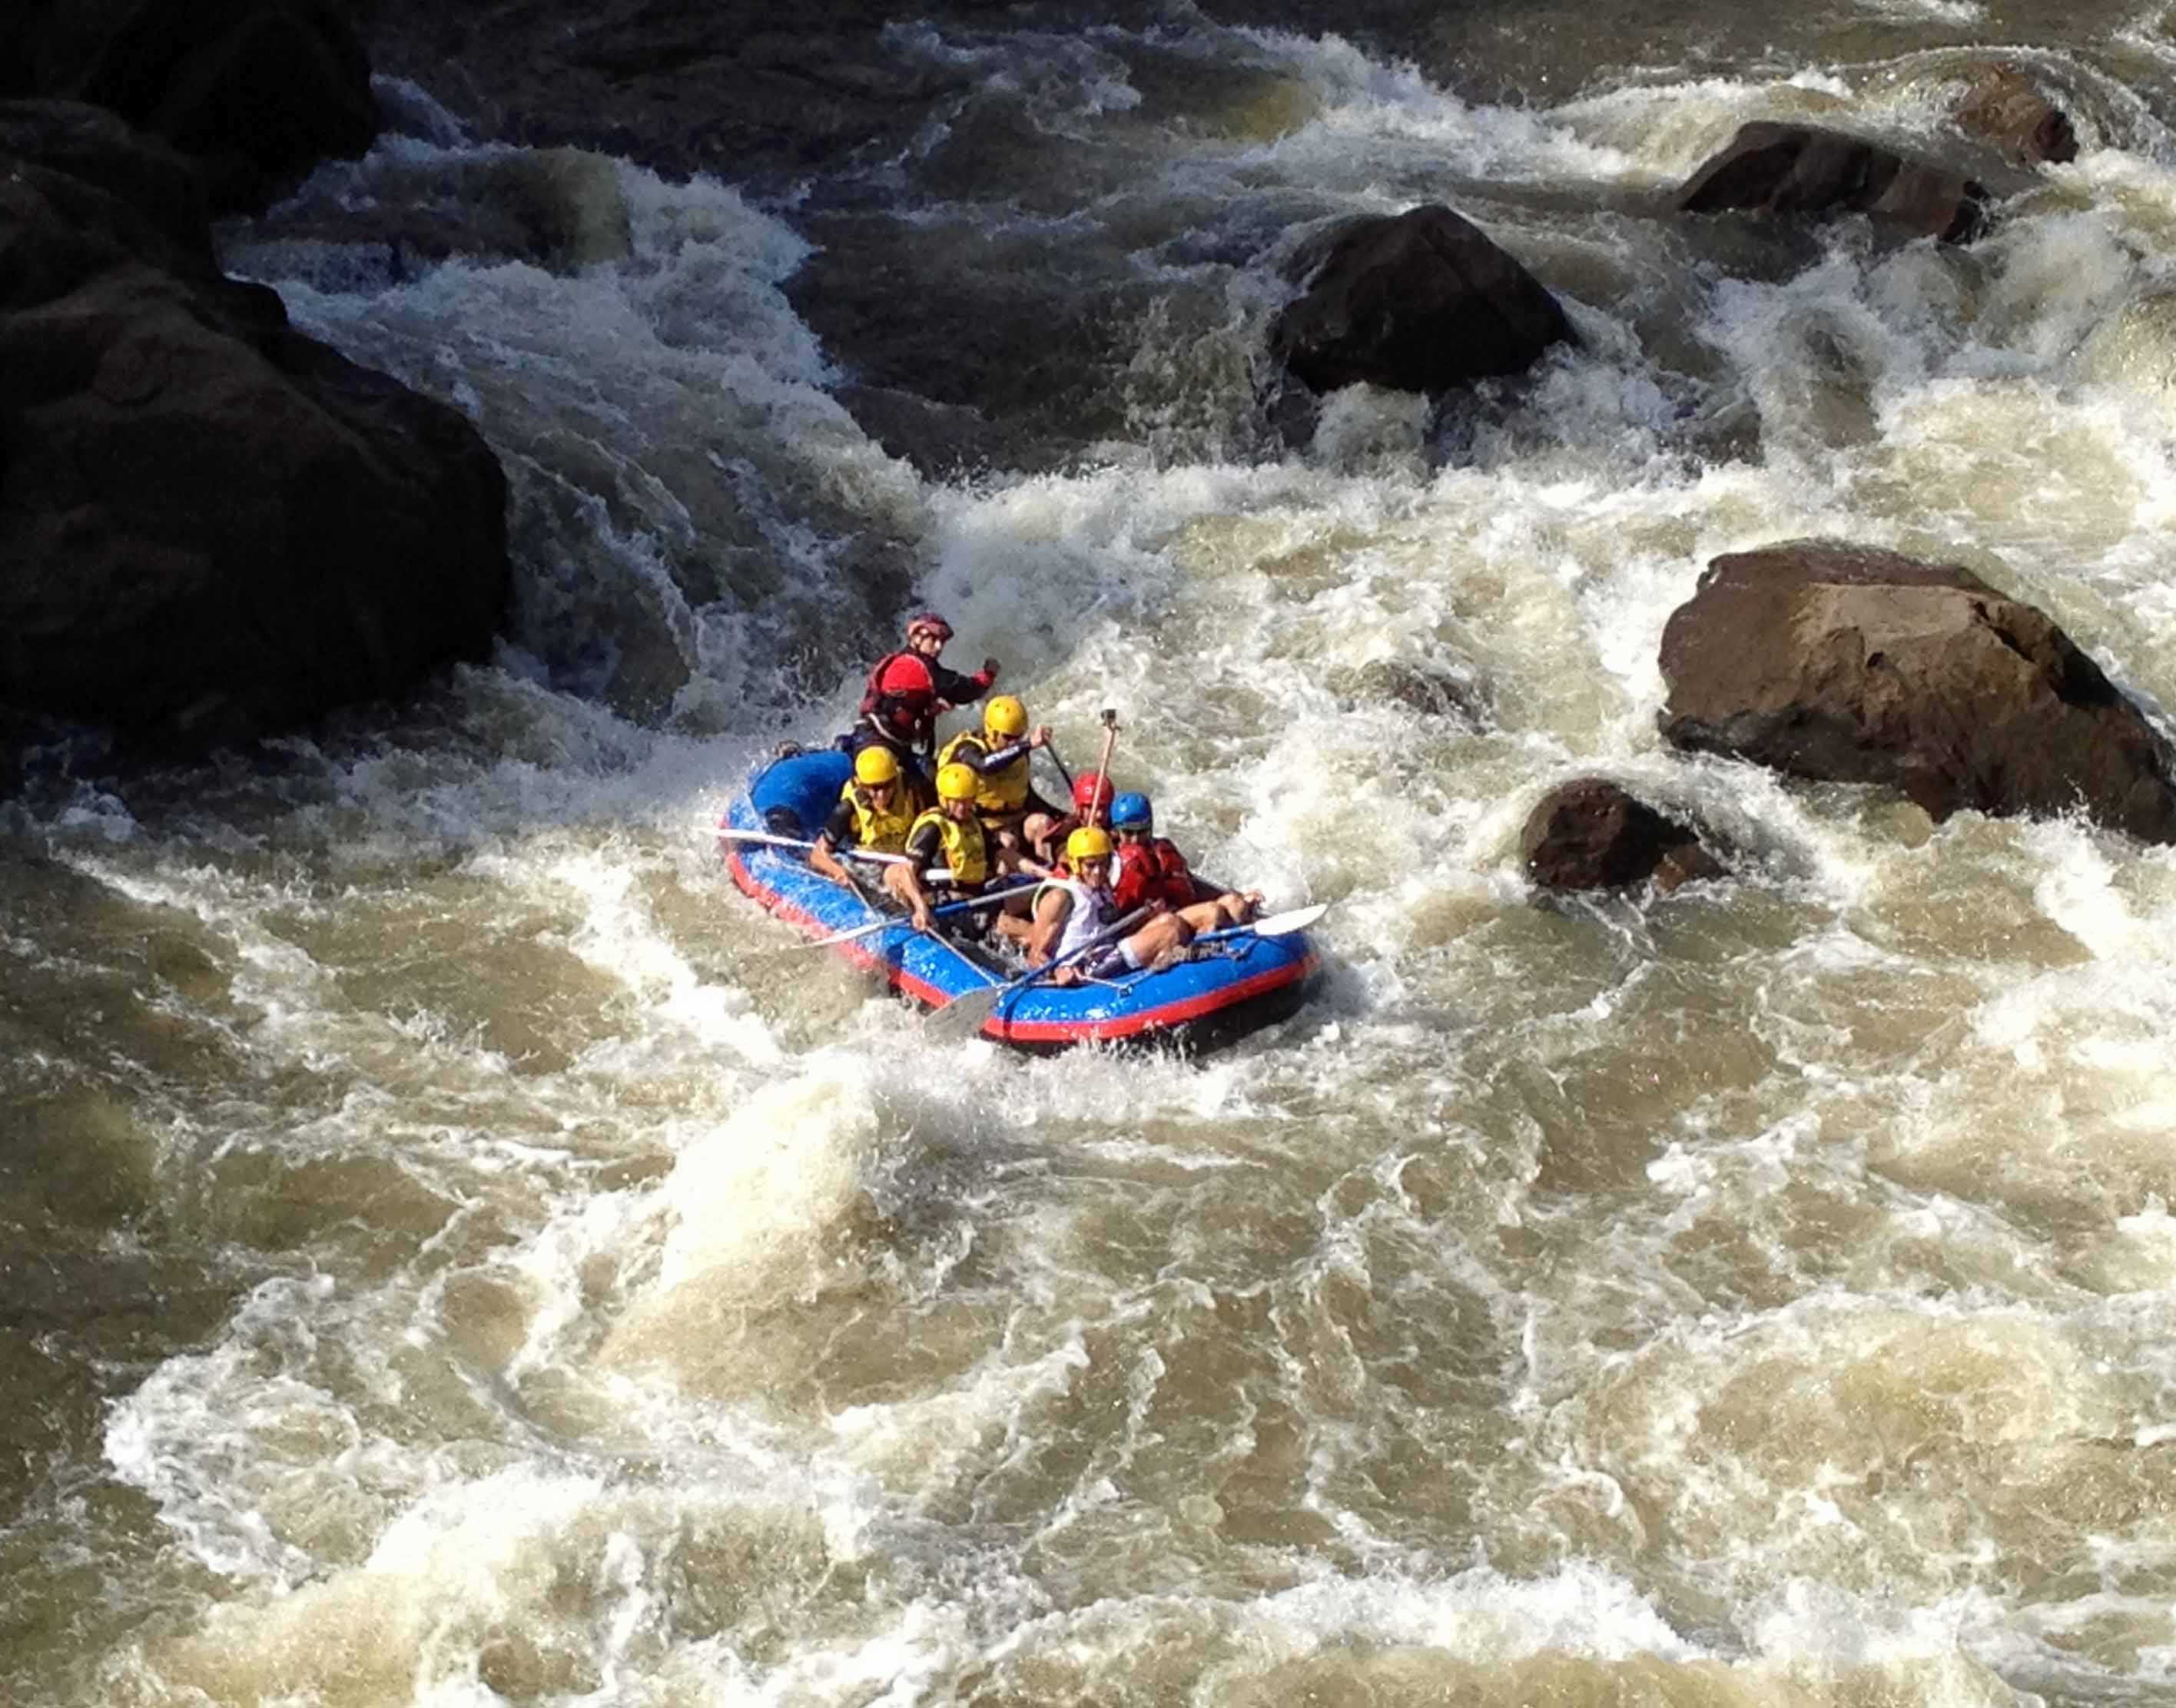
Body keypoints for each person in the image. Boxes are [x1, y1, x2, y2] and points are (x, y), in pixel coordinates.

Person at [1012, 824, 1195, 984]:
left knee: (1170, 921)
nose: (1099, 871)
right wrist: (1057, 971)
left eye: (1104, 863)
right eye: (1091, 865)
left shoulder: (1103, 888)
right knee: (1170, 933)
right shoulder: (1060, 897)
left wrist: (1147, 917)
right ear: (1076, 864)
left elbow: (1111, 932)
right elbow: (1035, 955)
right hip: (1083, 968)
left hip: (1107, 953)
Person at [850, 612, 999, 781]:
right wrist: (988, 675)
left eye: (942, 642)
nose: (939, 647)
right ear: (916, 638)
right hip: (881, 746)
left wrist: (930, 707)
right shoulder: (921, 670)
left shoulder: (899, 660)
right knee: (935, 781)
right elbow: (967, 690)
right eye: (933, 639)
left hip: (869, 736)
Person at [1107, 791, 1262, 930]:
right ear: (1115, 831)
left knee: (1235, 903)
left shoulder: (1164, 850)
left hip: (1181, 917)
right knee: (1213, 913)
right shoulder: (1111, 864)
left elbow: (1192, 885)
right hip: (1149, 931)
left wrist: (1240, 896)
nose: (1136, 840)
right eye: (1128, 833)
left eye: (1142, 832)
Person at [934, 694, 1063, 861]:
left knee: (1042, 824)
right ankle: (1004, 880)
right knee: (1008, 843)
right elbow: (985, 765)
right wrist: (1027, 744)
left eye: (1018, 737)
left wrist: (1060, 815)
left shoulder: (1019, 754)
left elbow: (1027, 797)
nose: (1013, 743)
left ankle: (1047, 872)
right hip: (982, 826)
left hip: (1015, 820)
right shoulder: (967, 749)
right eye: (1008, 738)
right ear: (992, 732)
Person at [887, 761, 993, 933]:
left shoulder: (974, 823)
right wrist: (921, 908)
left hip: (973, 895)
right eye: (957, 801)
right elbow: (906, 871)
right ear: (944, 799)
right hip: (944, 899)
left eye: (968, 800)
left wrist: (1037, 871)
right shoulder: (932, 827)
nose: (963, 807)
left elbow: (1000, 853)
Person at [809, 745, 917, 888]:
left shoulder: (909, 788)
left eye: (888, 785)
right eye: (875, 788)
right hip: (869, 865)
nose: (882, 795)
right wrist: (839, 872)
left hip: (907, 861)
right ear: (862, 785)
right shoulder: (847, 810)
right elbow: (817, 855)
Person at [1030, 768, 1117, 865]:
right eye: (1091, 807)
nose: (1099, 815)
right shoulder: (1068, 828)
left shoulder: (1115, 825)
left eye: (1104, 807)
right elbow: (1061, 852)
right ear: (1078, 808)